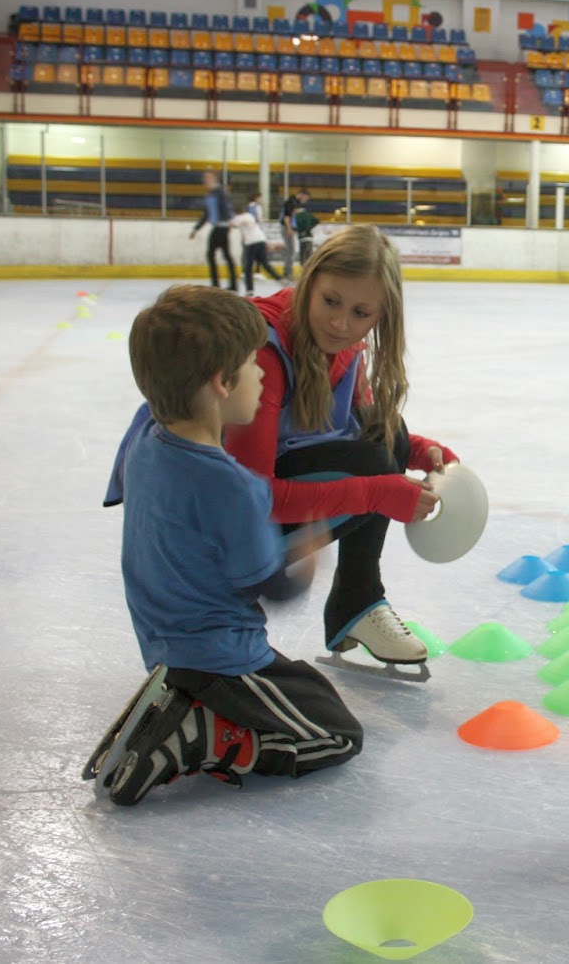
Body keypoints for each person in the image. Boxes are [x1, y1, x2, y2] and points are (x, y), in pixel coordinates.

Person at [94, 284, 362, 806]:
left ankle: (186, 707)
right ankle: (206, 734)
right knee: (337, 733)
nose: (264, 374)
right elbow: (274, 588)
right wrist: (311, 549)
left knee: (308, 686)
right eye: (253, 363)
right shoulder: (231, 486)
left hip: (161, 639)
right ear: (222, 382)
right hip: (221, 656)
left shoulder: (148, 437)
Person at [224, 224, 456, 671]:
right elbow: (247, 499)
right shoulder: (264, 354)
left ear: (379, 316)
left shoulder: (347, 348)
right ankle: (234, 603)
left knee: (387, 433)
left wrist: (426, 452)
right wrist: (377, 493)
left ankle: (356, 602)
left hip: (269, 497)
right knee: (372, 463)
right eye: (331, 301)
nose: (340, 323)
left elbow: (366, 427)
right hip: (225, 531)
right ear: (310, 281)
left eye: (360, 313)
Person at [190, 170, 236, 291]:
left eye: (208, 177)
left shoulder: (220, 192)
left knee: (213, 254)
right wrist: (196, 228)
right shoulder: (211, 194)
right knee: (224, 255)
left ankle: (218, 284)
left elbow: (227, 207)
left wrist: (230, 221)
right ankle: (229, 284)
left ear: (214, 178)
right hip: (219, 227)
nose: (205, 180)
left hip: (222, 227)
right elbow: (206, 214)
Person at [231, 200, 280, 294]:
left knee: (248, 267)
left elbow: (233, 224)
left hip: (251, 243)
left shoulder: (243, 217)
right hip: (260, 241)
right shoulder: (249, 216)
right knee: (264, 263)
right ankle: (279, 278)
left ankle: (250, 289)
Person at [279, 187, 309, 281]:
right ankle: (287, 273)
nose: (305, 201)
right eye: (305, 198)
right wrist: (289, 229)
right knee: (290, 251)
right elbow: (286, 216)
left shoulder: (296, 203)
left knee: (291, 251)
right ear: (302, 195)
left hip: (290, 228)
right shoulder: (291, 202)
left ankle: (288, 272)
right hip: (287, 228)